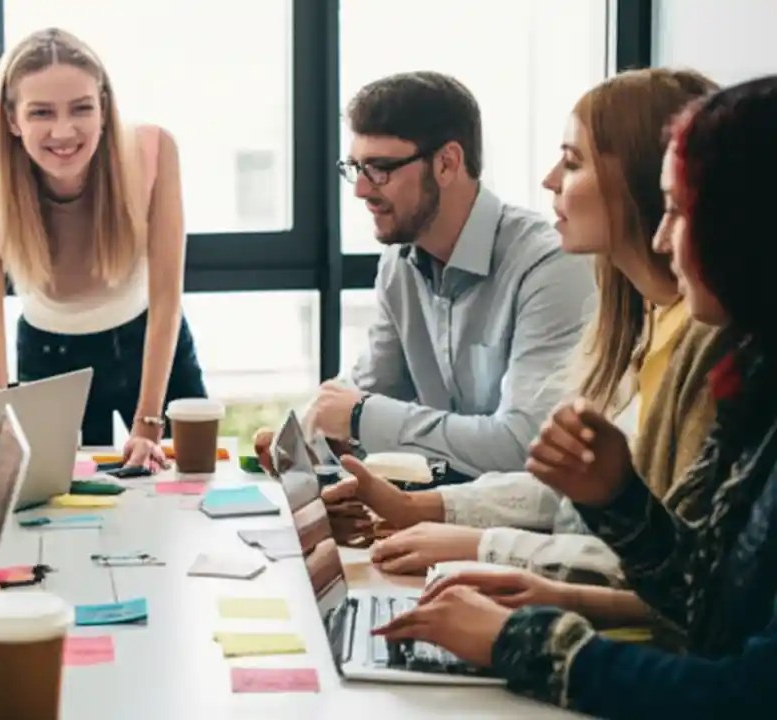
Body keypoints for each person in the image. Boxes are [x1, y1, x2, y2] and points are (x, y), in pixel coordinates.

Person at [376, 75, 777, 718]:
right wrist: (616, 501)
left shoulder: (716, 358)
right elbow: (710, 603)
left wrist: (520, 634)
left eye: (679, 210)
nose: (664, 238)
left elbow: (746, 692)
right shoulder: (749, 378)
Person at [320, 69, 722, 588]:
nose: (549, 179)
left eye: (573, 162)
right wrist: (412, 504)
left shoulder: (563, 271)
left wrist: (482, 545)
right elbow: (571, 491)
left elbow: (673, 572)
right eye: (356, 168)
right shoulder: (638, 322)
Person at [258, 71, 596, 481]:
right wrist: (303, 436)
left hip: (519, 529)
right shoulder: (399, 264)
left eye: (379, 168)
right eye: (355, 167)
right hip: (435, 515)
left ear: (447, 163)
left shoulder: (550, 265)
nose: (361, 190)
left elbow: (524, 445)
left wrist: (362, 415)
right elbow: (368, 388)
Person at [0, 28, 207, 468]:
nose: (63, 131)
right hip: (52, 359)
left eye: (81, 109)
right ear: (13, 120)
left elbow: (168, 298)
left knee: (185, 487)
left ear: (104, 109)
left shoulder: (153, 151)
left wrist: (148, 422)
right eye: (41, 113)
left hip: (149, 340)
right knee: (54, 501)